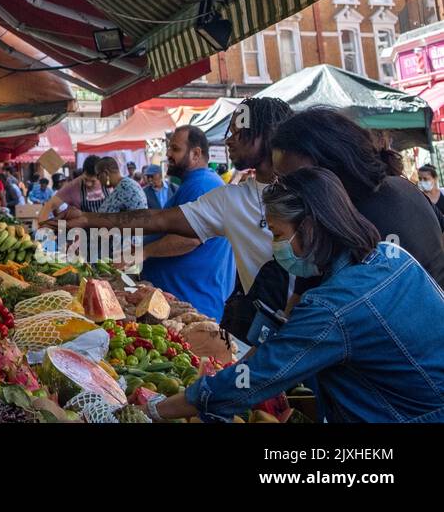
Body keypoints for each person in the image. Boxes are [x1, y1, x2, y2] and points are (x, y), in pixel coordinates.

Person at [150, 166, 444, 422]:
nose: (276, 246)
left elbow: (257, 377)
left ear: (309, 228)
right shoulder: (391, 254)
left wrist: (157, 409)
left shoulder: (332, 307)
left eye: (277, 234)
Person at [62, 99, 290, 328]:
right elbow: (159, 220)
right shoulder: (231, 198)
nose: (228, 139)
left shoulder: (308, 192)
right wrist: (89, 219)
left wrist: (143, 252)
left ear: (266, 134)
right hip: (267, 329)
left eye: (239, 132)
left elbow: (186, 237)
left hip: (205, 301)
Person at [269, 108, 444, 288]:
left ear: (328, 165)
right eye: (279, 181)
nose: (286, 190)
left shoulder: (350, 225)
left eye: (293, 179)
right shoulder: (401, 186)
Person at [132, 125, 235, 318]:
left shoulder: (202, 185)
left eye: (176, 149)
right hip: (178, 298)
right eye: (169, 148)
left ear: (196, 154)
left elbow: (190, 239)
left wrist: (144, 252)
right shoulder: (196, 183)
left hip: (190, 303)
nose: (168, 154)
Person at [37, 155, 101, 222]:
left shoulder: (109, 186)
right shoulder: (72, 187)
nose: (88, 184)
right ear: (83, 173)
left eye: (93, 181)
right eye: (85, 179)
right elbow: (49, 206)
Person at [419, 164, 444, 230]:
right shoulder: (419, 198)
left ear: (435, 179)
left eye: (425, 179)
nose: (422, 182)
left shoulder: (443, 193)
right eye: (420, 179)